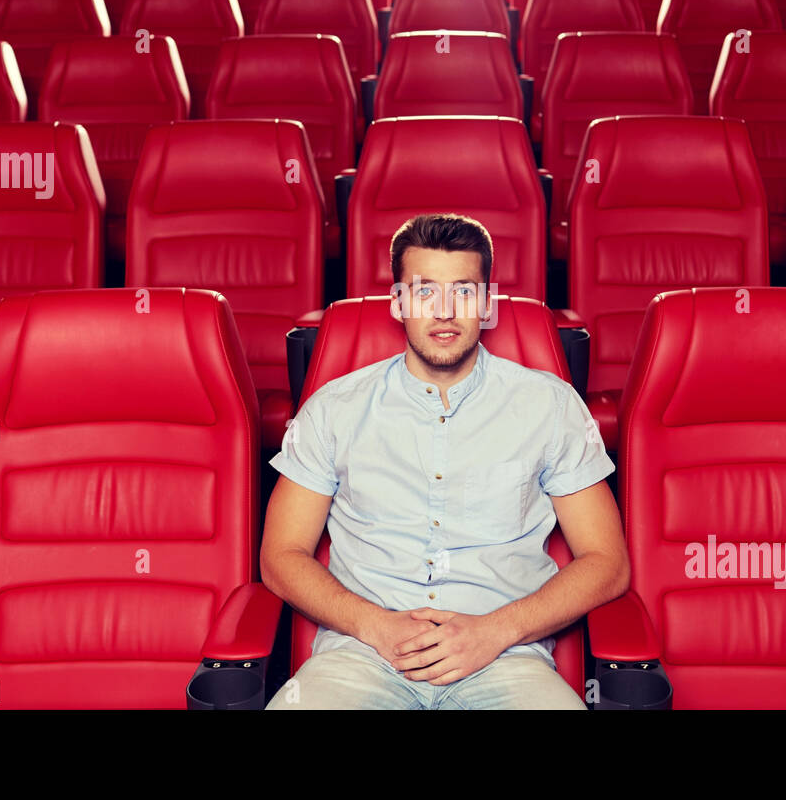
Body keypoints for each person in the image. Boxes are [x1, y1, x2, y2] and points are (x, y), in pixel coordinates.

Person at [261, 213, 628, 709]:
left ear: (488, 303)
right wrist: (377, 627)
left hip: (506, 658)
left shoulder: (550, 405)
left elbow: (607, 563)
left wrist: (495, 631)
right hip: (363, 656)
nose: (445, 311)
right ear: (398, 303)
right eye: (425, 291)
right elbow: (281, 557)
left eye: (463, 291)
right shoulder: (334, 408)